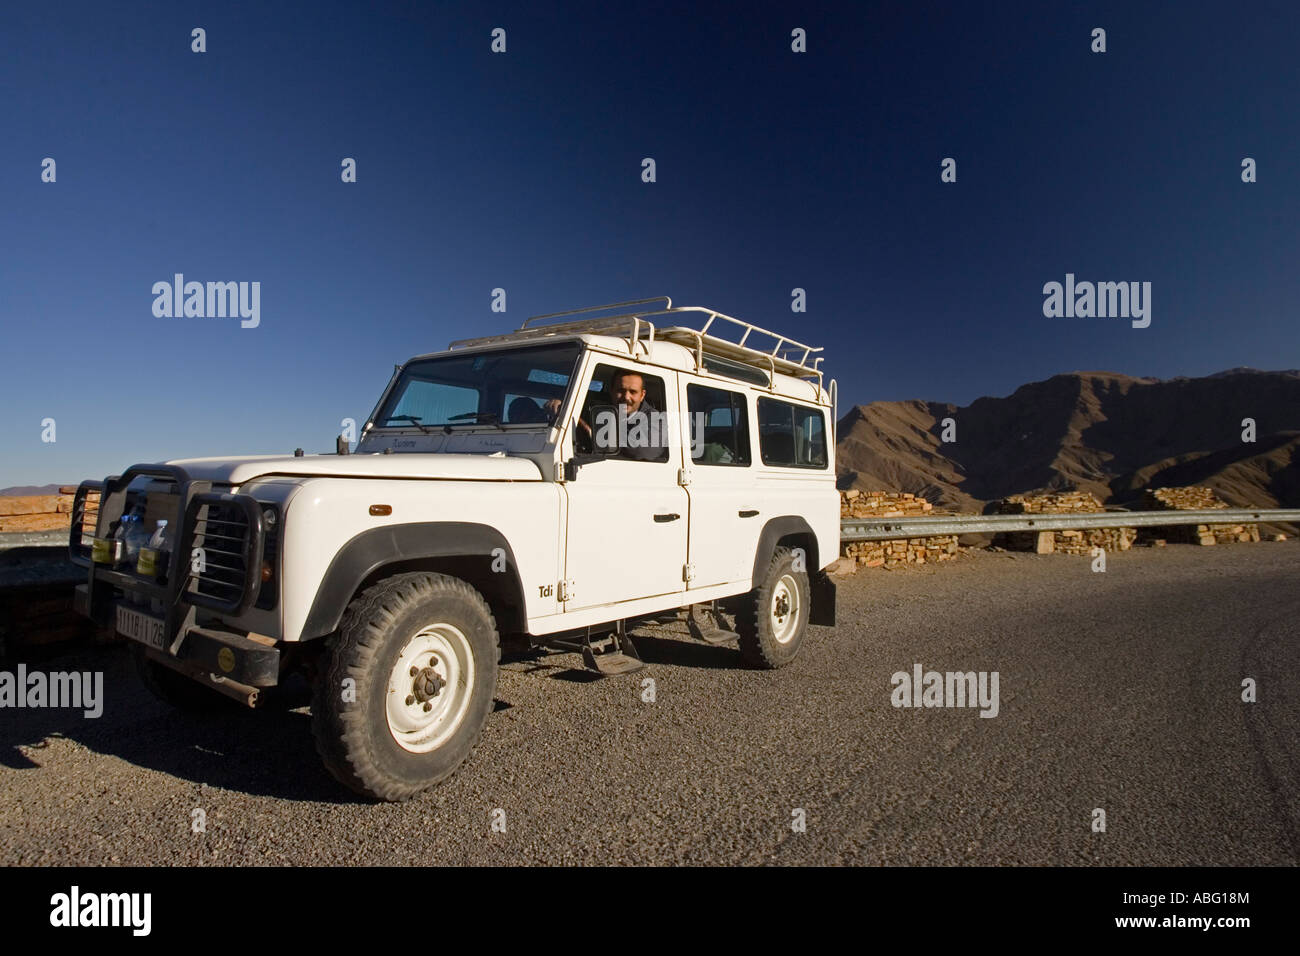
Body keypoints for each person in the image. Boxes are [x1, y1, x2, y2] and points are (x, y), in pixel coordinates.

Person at [545, 370, 668, 461]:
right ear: (612, 391)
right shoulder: (597, 409)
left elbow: (643, 452)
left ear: (642, 395)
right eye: (620, 391)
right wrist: (563, 405)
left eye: (633, 392)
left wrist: (589, 429)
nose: (626, 397)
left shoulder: (656, 419)